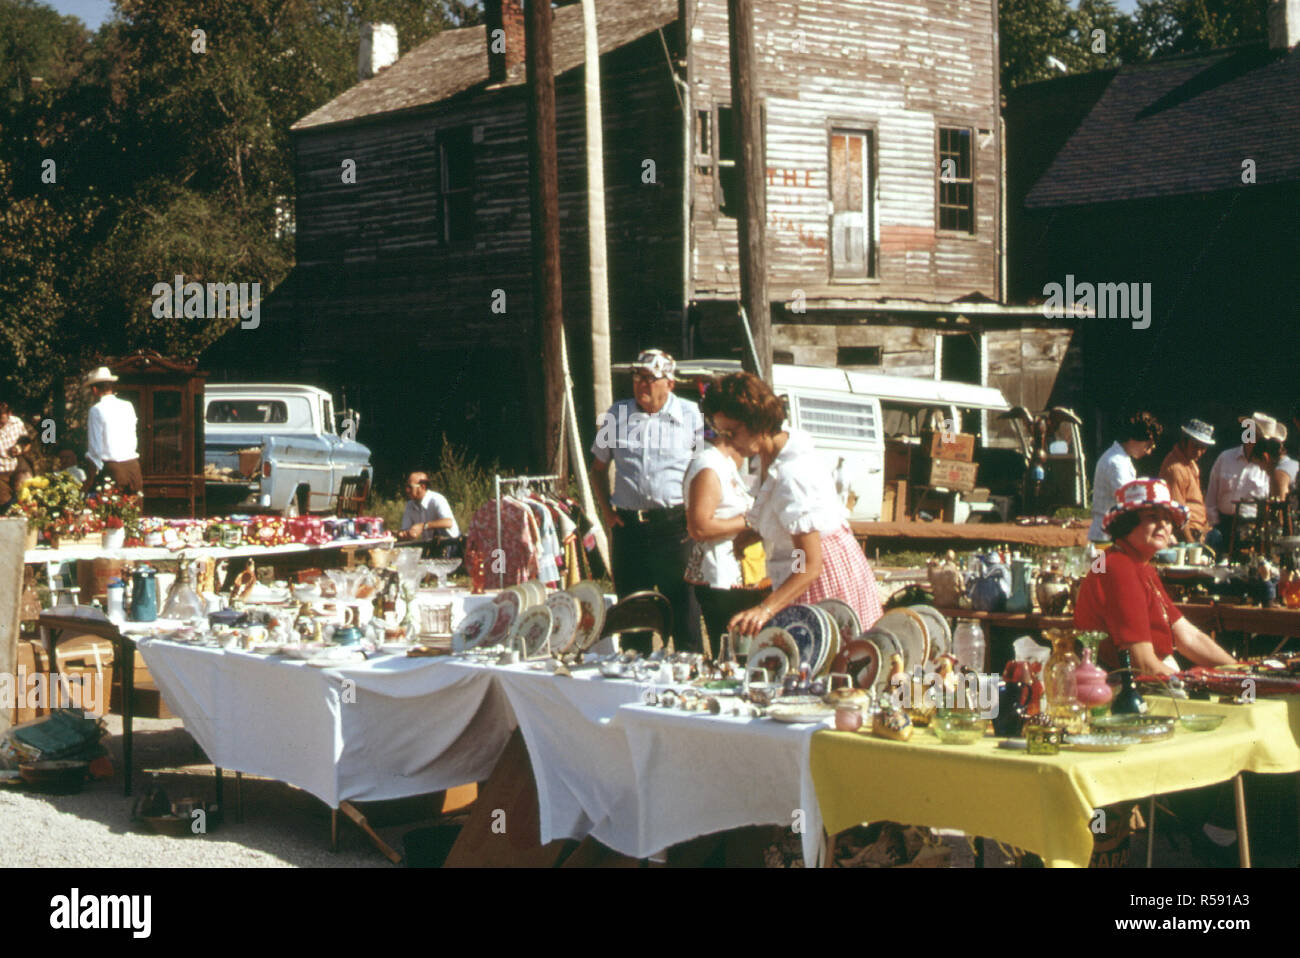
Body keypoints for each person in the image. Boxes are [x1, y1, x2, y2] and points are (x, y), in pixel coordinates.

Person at [702, 371, 883, 638]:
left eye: (733, 431)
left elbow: (808, 563)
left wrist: (766, 608)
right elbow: (784, 514)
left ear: (757, 421)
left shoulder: (792, 474)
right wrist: (753, 532)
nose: (728, 441)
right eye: (722, 432)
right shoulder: (772, 455)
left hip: (823, 578)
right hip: (808, 564)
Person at [591, 349, 705, 653]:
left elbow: (705, 471)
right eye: (637, 377)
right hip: (630, 530)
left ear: (669, 382)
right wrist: (607, 512)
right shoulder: (615, 415)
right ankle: (632, 680)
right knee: (633, 614)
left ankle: (687, 683)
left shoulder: (692, 416)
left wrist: (698, 518)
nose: (641, 384)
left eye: (649, 378)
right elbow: (598, 469)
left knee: (684, 612)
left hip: (676, 529)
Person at [1074, 478, 1236, 676]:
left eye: (1167, 519)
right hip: (1122, 691)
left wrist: (1239, 670)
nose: (1163, 525)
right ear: (1127, 523)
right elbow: (1142, 664)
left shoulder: (1140, 565)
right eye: (1152, 517)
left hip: (1151, 680)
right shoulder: (1118, 567)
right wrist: (1192, 682)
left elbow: (1189, 637)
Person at [683, 411, 767, 655]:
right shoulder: (708, 466)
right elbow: (699, 527)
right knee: (733, 654)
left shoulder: (727, 465)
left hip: (737, 574)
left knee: (744, 652)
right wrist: (749, 522)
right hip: (720, 578)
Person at [1204, 412, 1276, 553]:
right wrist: (1215, 524)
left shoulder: (1267, 468)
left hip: (1251, 529)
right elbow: (1211, 494)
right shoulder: (1225, 458)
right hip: (1223, 525)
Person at [1088, 411, 1161, 542]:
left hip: (1109, 534)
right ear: (1134, 439)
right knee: (1102, 563)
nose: (1149, 452)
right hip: (1105, 538)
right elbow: (1131, 502)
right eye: (1148, 445)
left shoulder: (1120, 459)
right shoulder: (1116, 463)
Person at [82, 366, 143, 494]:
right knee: (135, 509)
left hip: (113, 468)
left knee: (113, 511)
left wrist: (90, 479)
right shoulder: (127, 405)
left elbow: (95, 448)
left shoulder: (96, 410)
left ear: (95, 389)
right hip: (133, 468)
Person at [1158, 418, 1214, 542]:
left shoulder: (1191, 463)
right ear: (1184, 441)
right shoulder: (1176, 469)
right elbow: (1178, 514)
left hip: (1199, 530)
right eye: (1195, 447)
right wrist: (1192, 544)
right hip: (1187, 535)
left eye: (1203, 448)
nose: (1199, 452)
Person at [396, 471, 460, 547]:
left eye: (410, 487)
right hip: (433, 545)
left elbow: (449, 522)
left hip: (453, 544)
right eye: (406, 487)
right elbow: (405, 529)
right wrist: (404, 534)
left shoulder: (437, 499)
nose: (407, 490)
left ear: (422, 486)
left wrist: (423, 526)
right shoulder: (410, 505)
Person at [0, 402, 24, 508]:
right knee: (7, 504)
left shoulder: (17, 423)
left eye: (2, 422)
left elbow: (26, 442)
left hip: (17, 470)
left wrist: (19, 448)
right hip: (1, 473)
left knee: (24, 502)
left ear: (9, 414)